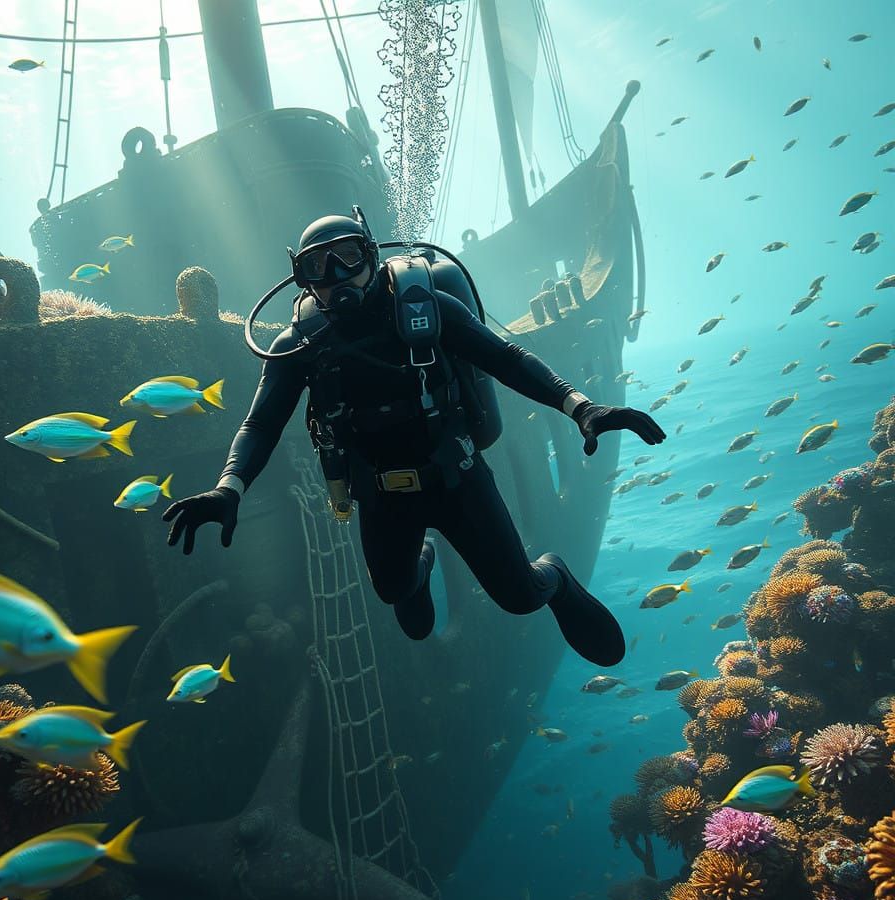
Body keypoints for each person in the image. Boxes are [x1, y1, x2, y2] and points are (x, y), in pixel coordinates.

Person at [165, 213, 665, 667]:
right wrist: (228, 488)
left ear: (371, 254)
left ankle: (554, 576)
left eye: (349, 256)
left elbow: (506, 359)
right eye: (319, 266)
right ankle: (419, 561)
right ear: (302, 279)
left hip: (458, 480)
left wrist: (581, 406)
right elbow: (260, 424)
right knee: (397, 597)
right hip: (380, 496)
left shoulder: (428, 308)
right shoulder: (300, 344)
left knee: (520, 597)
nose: (338, 276)